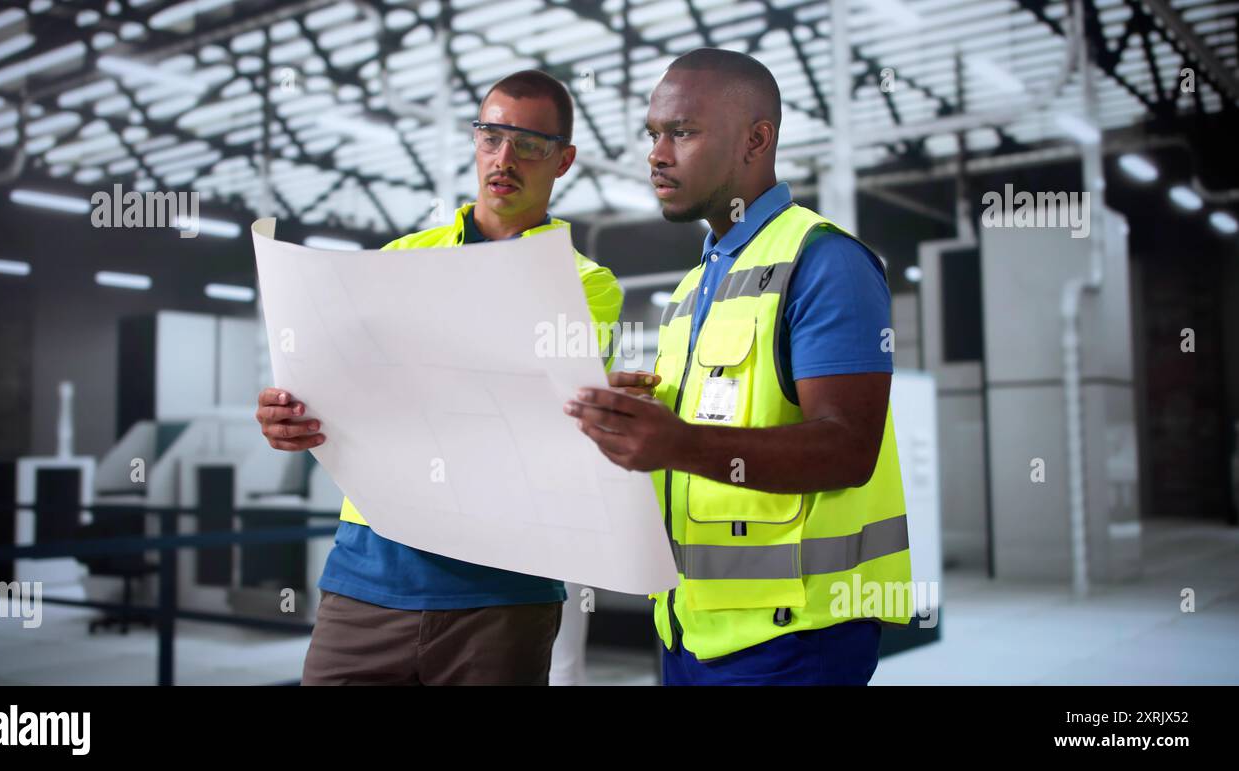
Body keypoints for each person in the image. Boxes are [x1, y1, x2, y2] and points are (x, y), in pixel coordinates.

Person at [257, 70, 623, 685]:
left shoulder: (585, 284)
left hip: (502, 588)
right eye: (491, 136)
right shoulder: (400, 258)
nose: (504, 159)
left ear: (564, 161)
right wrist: (290, 415)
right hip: (367, 577)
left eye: (529, 144)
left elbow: (516, 412)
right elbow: (348, 390)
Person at [564, 48, 914, 686]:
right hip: (689, 629)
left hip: (794, 637)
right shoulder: (691, 288)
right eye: (654, 133)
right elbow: (707, 434)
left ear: (758, 139)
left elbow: (847, 448)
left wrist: (677, 441)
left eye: (683, 132)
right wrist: (638, 417)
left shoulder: (825, 261)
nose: (657, 154)